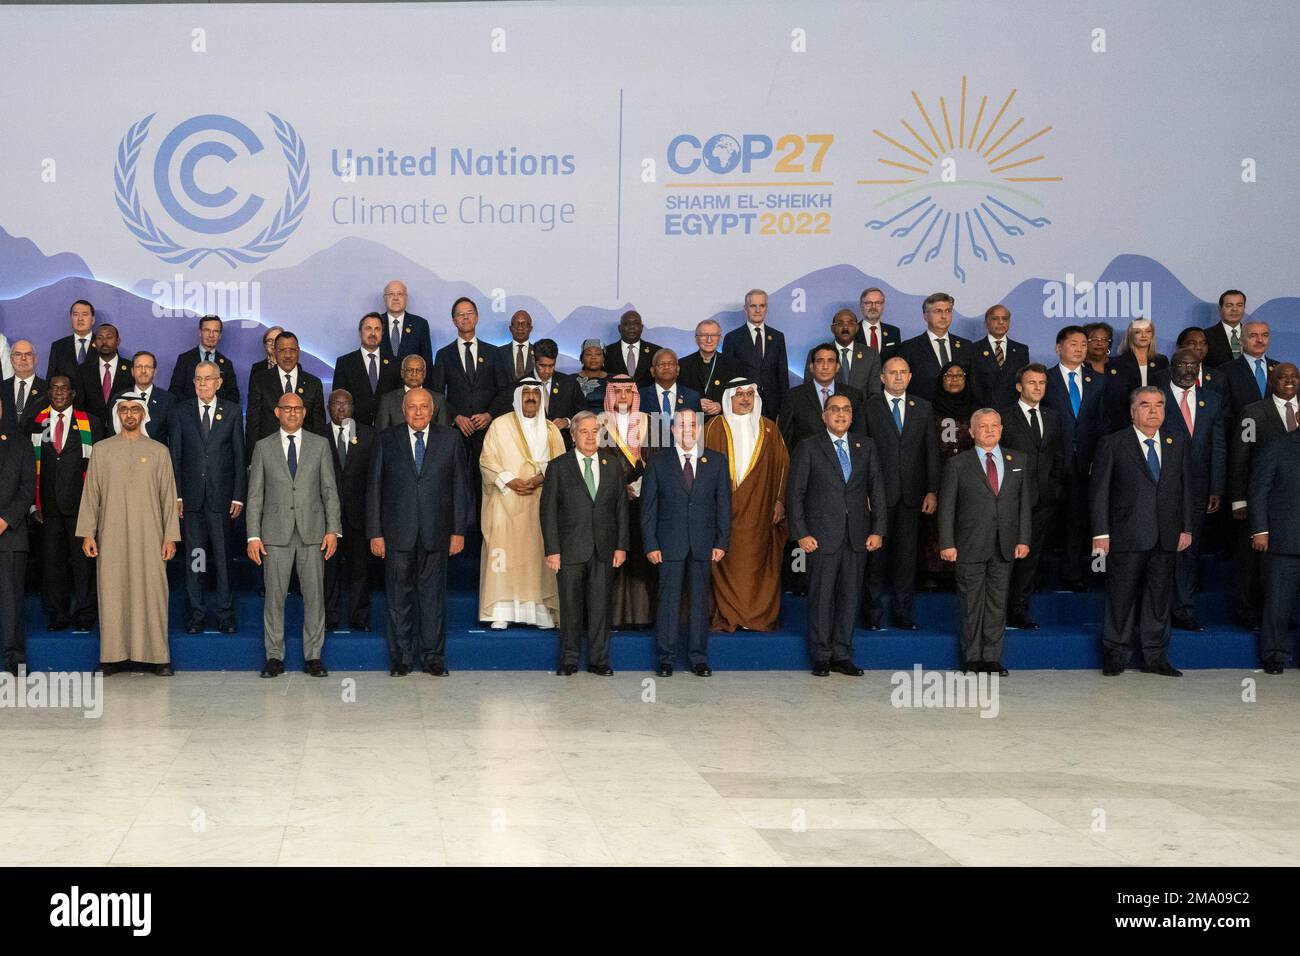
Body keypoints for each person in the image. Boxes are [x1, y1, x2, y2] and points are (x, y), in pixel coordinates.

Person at [1090, 386, 1194, 677]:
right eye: (1146, 405)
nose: (1153, 411)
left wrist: (1186, 527)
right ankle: (1116, 654)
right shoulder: (1113, 443)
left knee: (1159, 599)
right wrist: (1101, 533)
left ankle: (1155, 657)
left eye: (1159, 405)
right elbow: (1099, 492)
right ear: (1133, 410)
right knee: (1121, 597)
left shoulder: (1177, 442)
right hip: (1126, 535)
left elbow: (1186, 488)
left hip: (1166, 534)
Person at [367, 388, 470, 676]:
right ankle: (401, 659)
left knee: (433, 599)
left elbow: (460, 488)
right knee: (398, 599)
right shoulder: (386, 439)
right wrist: (375, 533)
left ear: (433, 409)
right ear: (403, 410)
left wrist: (458, 531)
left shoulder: (450, 439)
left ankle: (433, 658)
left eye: (424, 406)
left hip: (436, 533)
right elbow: (374, 487)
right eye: (413, 407)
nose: (419, 412)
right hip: (396, 533)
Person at [76, 395, 181, 675]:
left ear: (143, 415)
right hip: (111, 535)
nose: (130, 414)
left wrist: (170, 536)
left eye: (135, 409)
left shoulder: (159, 451)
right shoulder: (102, 450)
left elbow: (169, 498)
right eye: (124, 410)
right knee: (112, 592)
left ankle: (158, 657)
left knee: (153, 592)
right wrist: (88, 534)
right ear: (118, 415)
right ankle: (111, 657)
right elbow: (91, 495)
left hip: (151, 536)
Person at [787, 394, 886, 676]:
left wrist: (878, 529)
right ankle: (821, 655)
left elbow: (876, 490)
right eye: (835, 409)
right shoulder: (808, 447)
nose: (841, 414)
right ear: (824, 415)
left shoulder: (865, 446)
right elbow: (796, 494)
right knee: (821, 597)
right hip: (821, 536)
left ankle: (842, 654)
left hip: (857, 536)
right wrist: (801, 533)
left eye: (846, 410)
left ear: (852, 416)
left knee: (850, 595)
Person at [245, 392, 341, 678]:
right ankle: (275, 657)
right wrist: (253, 536)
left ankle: (313, 657)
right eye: (286, 408)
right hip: (274, 533)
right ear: (277, 412)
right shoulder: (263, 447)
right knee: (274, 598)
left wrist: (333, 530)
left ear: (304, 412)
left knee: (315, 597)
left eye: (297, 408)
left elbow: (329, 491)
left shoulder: (320, 445)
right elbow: (255, 496)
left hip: (313, 532)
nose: (292, 413)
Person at [938, 409, 1031, 675]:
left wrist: (1023, 538)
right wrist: (947, 543)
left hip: (1005, 544)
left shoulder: (1018, 460)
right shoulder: (958, 464)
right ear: (972, 431)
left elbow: (1024, 505)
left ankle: (991, 658)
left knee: (998, 602)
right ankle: (972, 658)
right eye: (983, 426)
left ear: (1001, 429)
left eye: (994, 426)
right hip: (968, 544)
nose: (989, 430)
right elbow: (946, 508)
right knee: (971, 603)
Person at [540, 410, 629, 675]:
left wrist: (621, 546)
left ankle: (599, 661)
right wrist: (552, 550)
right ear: (573, 435)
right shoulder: (558, 466)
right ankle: (569, 660)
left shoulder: (612, 464)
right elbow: (548, 512)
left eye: (595, 431)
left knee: (601, 607)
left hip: (604, 548)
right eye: (584, 431)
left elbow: (621, 509)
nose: (590, 437)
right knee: (570, 608)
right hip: (569, 550)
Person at [642, 409, 730, 676]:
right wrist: (650, 544)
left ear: (700, 429)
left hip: (704, 544)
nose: (688, 430)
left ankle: (698, 658)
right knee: (668, 602)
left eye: (693, 425)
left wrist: (722, 541)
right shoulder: (658, 463)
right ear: (672, 430)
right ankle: (666, 658)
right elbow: (648, 508)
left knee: (699, 603)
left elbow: (724, 505)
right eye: (682, 425)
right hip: (668, 545)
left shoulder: (716, 461)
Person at [478, 380, 566, 630]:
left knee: (537, 557)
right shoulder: (499, 425)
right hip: (506, 501)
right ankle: (500, 610)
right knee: (504, 555)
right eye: (525, 393)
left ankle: (539, 613)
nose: (530, 398)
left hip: (540, 502)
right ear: (517, 397)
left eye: (535, 394)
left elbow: (561, 465)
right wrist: (511, 481)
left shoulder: (551, 430)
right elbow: (486, 461)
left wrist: (540, 478)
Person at [704, 378, 788, 632]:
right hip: (722, 515)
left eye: (750, 394)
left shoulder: (770, 429)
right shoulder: (713, 427)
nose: (744, 399)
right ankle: (727, 615)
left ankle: (756, 616)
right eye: (738, 394)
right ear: (728, 398)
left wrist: (780, 500)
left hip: (759, 516)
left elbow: (783, 466)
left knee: (757, 567)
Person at [863, 356, 942, 630]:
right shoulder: (868, 407)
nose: (898, 377)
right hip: (878, 497)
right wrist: (865, 492)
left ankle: (902, 614)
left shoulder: (922, 407)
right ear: (882, 378)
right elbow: (862, 454)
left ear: (910, 377)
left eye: (903, 372)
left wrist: (932, 490)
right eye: (892, 373)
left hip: (912, 497)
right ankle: (872, 615)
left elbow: (931, 452)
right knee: (875, 559)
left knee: (907, 559)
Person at [169, 360, 245, 634]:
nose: (202, 384)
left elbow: (239, 455)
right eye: (198, 379)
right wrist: (177, 495)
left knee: (224, 559)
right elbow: (175, 456)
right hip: (191, 502)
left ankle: (225, 613)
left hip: (222, 500)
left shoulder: (233, 412)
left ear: (219, 382)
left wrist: (238, 495)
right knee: (196, 558)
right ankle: (197, 613)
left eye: (207, 379)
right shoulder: (181, 412)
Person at [1227, 362, 1299, 628]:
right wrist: (1239, 499)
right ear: (1272, 381)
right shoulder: (1253, 413)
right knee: (1251, 562)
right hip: (1260, 500)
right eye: (1283, 377)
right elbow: (1240, 458)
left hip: (1292, 504)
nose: (1289, 381)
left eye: (1294, 377)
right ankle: (1248, 612)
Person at [1161, 348, 1226, 631]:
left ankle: (1183, 608)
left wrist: (1217, 487)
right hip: (1161, 487)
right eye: (1183, 364)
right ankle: (1157, 609)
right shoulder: (1155, 397)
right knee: (1161, 549)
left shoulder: (1212, 400)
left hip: (1199, 488)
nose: (1189, 369)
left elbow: (1218, 445)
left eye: (1194, 365)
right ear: (1172, 367)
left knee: (1189, 549)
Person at [998, 364, 1065, 630]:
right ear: (1019, 386)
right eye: (1031, 383)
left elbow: (1058, 455)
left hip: (1043, 500)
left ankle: (1019, 609)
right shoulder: (1003, 416)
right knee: (1005, 556)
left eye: (1042, 383)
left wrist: (1055, 487)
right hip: (1010, 501)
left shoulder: (1052, 417)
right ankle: (998, 609)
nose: (1037, 388)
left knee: (1031, 558)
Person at [32, 374, 100, 631]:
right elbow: (29, 467)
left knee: (84, 564)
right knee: (52, 564)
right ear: (49, 392)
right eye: (54, 388)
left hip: (81, 507)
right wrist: (33, 504)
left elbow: (97, 468)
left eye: (64, 388)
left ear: (73, 393)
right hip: (47, 509)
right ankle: (58, 613)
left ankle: (84, 613)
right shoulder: (36, 423)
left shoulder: (89, 423)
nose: (59, 392)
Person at [1041, 325, 1105, 591]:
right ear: (1058, 348)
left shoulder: (1098, 381)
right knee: (1044, 521)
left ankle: (1072, 574)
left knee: (1077, 521)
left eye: (1083, 344)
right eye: (1073, 344)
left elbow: (1103, 423)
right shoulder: (1044, 379)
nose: (1080, 349)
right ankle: (1038, 575)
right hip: (1051, 463)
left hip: (1085, 464)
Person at [429, 297, 508, 493]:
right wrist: (455, 417)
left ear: (477, 317)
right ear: (454, 321)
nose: (465, 318)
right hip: (456, 432)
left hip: (488, 431)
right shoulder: (443, 355)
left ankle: (485, 524)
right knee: (457, 484)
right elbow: (436, 394)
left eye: (469, 313)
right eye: (460, 315)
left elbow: (505, 391)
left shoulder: (493, 353)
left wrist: (489, 414)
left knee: (487, 483)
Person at [601, 374, 656, 628]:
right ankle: (611, 617)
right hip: (608, 505)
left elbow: (657, 462)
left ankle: (640, 617)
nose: (623, 396)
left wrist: (636, 485)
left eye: (628, 391)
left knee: (638, 558)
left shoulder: (649, 422)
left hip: (641, 502)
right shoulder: (599, 423)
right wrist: (619, 488)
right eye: (618, 391)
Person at [1248, 427, 1300, 673]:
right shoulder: (1276, 445)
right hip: (1284, 538)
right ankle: (1274, 655)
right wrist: (1260, 530)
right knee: (1278, 602)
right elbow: (1259, 490)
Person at [323, 389, 375, 632]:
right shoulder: (317, 436)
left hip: (359, 515)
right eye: (336, 404)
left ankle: (359, 617)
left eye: (346, 403)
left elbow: (375, 478)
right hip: (327, 518)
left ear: (353, 407)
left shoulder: (368, 435)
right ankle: (330, 616)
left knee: (359, 570)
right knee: (329, 571)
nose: (341, 408)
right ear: (328, 407)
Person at [778, 343, 866, 452]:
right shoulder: (793, 396)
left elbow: (860, 435)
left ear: (837, 367)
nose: (825, 366)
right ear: (811, 367)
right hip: (807, 463)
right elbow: (784, 438)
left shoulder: (854, 395)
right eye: (820, 361)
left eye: (830, 361)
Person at [246, 330, 327, 445]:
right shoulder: (260, 381)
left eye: (292, 350)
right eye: (282, 350)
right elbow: (253, 424)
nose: (288, 355)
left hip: (305, 453)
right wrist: (252, 459)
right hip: (269, 451)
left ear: (298, 351)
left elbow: (318, 426)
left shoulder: (313, 383)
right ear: (274, 352)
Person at [0, 421, 36, 675]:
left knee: (12, 601)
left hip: (10, 534)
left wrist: (4, 520)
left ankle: (14, 657)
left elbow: (27, 489)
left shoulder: (21, 443)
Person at [723, 289, 789, 418]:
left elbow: (782, 373)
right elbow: (728, 375)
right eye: (753, 306)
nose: (757, 310)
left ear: (766, 308)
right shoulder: (732, 338)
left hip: (772, 405)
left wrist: (785, 405)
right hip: (743, 403)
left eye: (762, 306)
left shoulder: (777, 337)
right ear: (745, 308)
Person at [898, 292, 970, 405]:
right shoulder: (909, 348)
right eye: (938, 311)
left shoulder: (966, 346)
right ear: (926, 316)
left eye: (948, 311)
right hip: (923, 413)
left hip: (960, 414)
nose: (944, 316)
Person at [331, 312, 401, 427]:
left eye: (377, 329)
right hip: (355, 430)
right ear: (360, 332)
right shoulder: (345, 363)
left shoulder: (395, 363)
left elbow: (398, 401)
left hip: (388, 431)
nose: (373, 333)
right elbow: (339, 400)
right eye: (368, 328)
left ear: (382, 333)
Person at [1102, 318, 1168, 432]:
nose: (1143, 335)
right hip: (1125, 422)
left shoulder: (1161, 361)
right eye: (1138, 332)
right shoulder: (1117, 363)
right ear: (1130, 335)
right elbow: (1115, 398)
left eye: (1148, 331)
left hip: (1155, 422)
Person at [678, 319, 745, 416]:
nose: (709, 340)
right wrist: (694, 404)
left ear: (720, 338)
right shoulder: (682, 365)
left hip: (722, 421)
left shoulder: (734, 366)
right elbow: (675, 396)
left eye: (713, 335)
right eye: (704, 335)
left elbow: (741, 396)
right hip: (692, 423)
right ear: (696, 338)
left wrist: (722, 406)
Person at [169, 315, 240, 403]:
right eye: (207, 330)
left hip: (218, 414)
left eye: (215, 331)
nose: (211, 335)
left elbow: (233, 394)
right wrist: (192, 408)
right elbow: (175, 390)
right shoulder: (184, 359)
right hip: (190, 413)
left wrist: (217, 409)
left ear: (220, 335)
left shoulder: (227, 364)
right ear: (200, 332)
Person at [969, 304, 1029, 410]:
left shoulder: (1021, 350)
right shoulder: (974, 349)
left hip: (1013, 412)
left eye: (1005, 319)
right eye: (995, 319)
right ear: (986, 323)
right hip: (984, 412)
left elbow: (1023, 383)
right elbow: (973, 385)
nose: (1001, 322)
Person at [639, 349, 702, 447]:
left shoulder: (692, 396)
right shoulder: (640, 396)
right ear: (652, 371)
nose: (666, 367)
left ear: (678, 370)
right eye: (661, 364)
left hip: (682, 453)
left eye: (671, 364)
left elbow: (698, 431)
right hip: (649, 453)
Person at [1221, 321, 1278, 424]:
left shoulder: (1279, 369)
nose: (1260, 340)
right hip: (1241, 434)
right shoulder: (1226, 371)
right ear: (1241, 341)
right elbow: (1224, 413)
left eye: (1265, 335)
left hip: (1276, 436)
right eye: (1253, 336)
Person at [74, 324, 132, 424]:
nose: (104, 342)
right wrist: (85, 436)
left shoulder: (130, 368)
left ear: (118, 341)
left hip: (122, 430)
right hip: (92, 430)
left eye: (109, 337)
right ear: (95, 342)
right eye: (100, 338)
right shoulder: (83, 370)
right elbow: (79, 405)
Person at [115, 351, 175, 444]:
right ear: (132, 371)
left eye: (147, 367)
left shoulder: (168, 400)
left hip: (156, 456)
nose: (143, 371)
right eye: (139, 367)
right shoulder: (120, 398)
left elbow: (173, 437)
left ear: (154, 372)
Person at [375, 355, 449, 430]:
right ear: (402, 373)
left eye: (419, 370)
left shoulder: (438, 399)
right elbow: (381, 435)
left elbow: (444, 433)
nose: (414, 374)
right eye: (410, 370)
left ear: (424, 373)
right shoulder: (388, 400)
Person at [378, 280, 433, 378]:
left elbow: (427, 362)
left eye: (400, 294)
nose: (395, 298)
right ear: (384, 299)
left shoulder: (420, 324)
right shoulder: (375, 323)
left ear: (406, 298)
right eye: (391, 294)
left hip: (411, 387)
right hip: (381, 387)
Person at [532, 339, 581, 441]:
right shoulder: (521, 385)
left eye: (551, 366)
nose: (547, 371)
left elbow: (583, 413)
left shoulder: (570, 383)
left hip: (563, 446)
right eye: (542, 366)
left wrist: (567, 422)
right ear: (533, 360)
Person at [827, 308, 882, 398]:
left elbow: (875, 390)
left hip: (863, 409)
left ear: (857, 328)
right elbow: (811, 388)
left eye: (850, 323)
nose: (845, 327)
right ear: (832, 328)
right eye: (840, 323)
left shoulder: (871, 354)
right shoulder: (820, 354)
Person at [603, 310, 661, 388]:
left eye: (636, 323)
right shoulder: (607, 352)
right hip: (617, 399)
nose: (631, 327)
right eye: (626, 324)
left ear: (642, 327)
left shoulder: (656, 352)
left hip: (648, 399)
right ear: (619, 328)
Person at [45, 299, 97, 382]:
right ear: (71, 318)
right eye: (76, 315)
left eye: (84, 314)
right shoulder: (58, 347)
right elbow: (51, 381)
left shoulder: (103, 344)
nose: (80, 319)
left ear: (93, 319)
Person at [1, 339, 45, 435]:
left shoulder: (47, 389)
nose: (23, 358)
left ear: (35, 359)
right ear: (11, 360)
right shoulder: (1, 388)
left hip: (37, 448)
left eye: (28, 354)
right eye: (18, 354)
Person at [1203, 289, 1248, 368]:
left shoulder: (1251, 334)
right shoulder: (1206, 335)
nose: (1235, 309)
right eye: (1229, 305)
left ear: (1244, 308)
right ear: (1220, 309)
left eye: (1239, 305)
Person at [854, 287, 900, 361]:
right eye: (868, 303)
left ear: (883, 306)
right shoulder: (852, 332)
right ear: (861, 305)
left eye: (878, 303)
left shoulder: (894, 332)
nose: (873, 307)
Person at [496, 309, 538, 384]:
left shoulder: (538, 352)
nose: (520, 328)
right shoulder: (498, 353)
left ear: (530, 328)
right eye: (516, 324)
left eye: (523, 324)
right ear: (510, 328)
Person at [247, 324, 284, 398]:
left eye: (277, 340)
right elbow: (252, 397)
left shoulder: (293, 366)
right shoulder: (257, 368)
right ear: (265, 344)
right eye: (270, 340)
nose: (273, 344)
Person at [575, 339, 609, 413]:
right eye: (588, 354)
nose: (593, 357)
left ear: (604, 359)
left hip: (608, 421)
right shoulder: (571, 381)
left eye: (598, 354)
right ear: (581, 359)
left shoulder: (614, 380)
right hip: (579, 422)